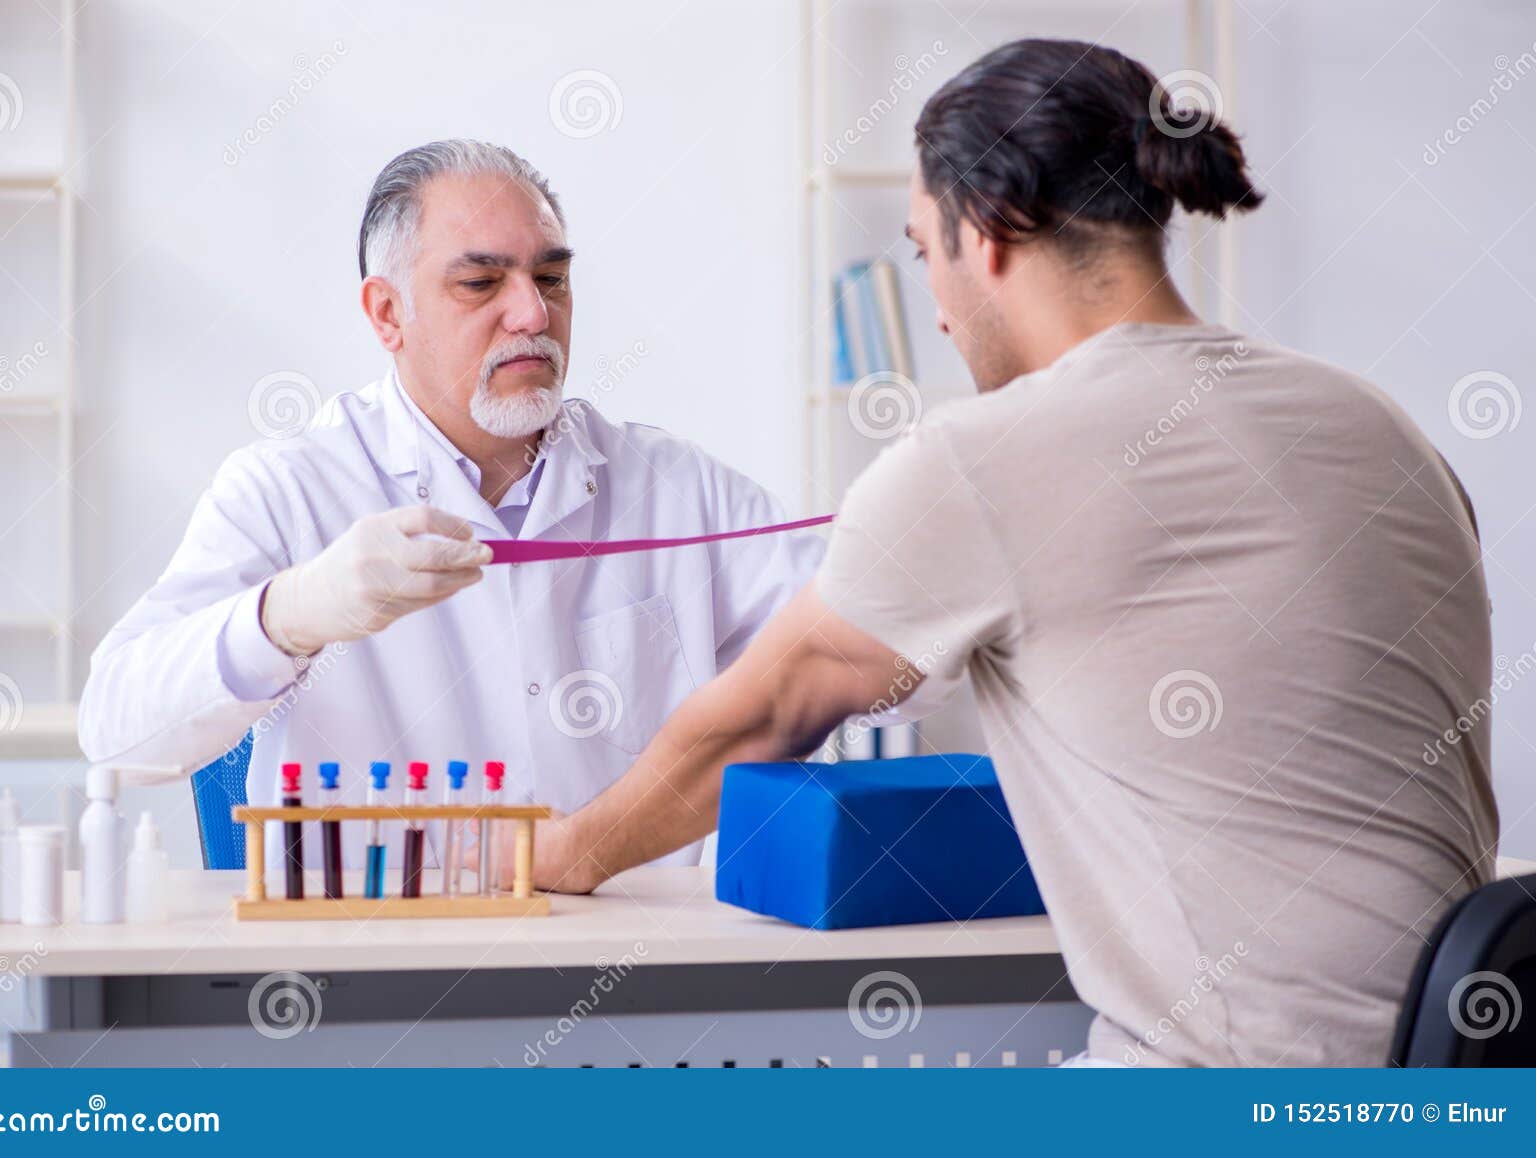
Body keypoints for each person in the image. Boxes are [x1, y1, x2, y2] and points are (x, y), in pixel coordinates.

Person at [525, 39, 1500, 1066]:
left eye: (921, 252)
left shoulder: (982, 457)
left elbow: (756, 718)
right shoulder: (1375, 421)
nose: (936, 312)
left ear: (984, 229)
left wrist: (556, 853)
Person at [78, 139, 822, 868]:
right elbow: (118, 735)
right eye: (481, 284)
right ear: (387, 314)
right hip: (374, 967)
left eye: (552, 278)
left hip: (626, 957)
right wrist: (292, 612)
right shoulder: (288, 489)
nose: (533, 313)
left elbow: (881, 650)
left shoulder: (672, 486)